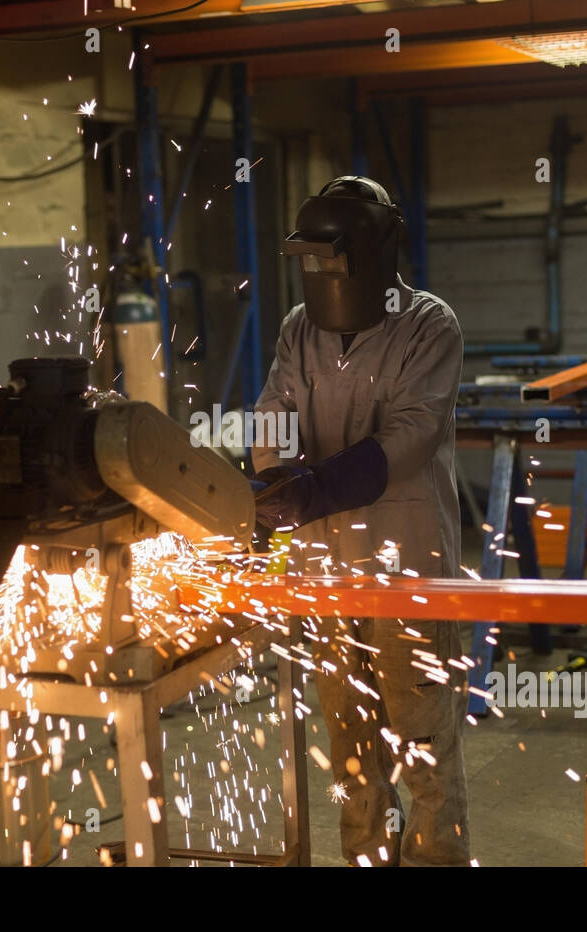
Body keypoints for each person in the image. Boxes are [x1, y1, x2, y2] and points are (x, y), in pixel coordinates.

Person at [251, 175, 468, 866]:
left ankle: (434, 862)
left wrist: (317, 489)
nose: (322, 274)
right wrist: (272, 480)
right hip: (325, 570)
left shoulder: (428, 324)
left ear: (372, 253)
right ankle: (366, 859)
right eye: (311, 261)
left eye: (333, 260)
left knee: (422, 743)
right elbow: (275, 411)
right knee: (349, 748)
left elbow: (412, 433)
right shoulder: (297, 328)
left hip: (407, 566)